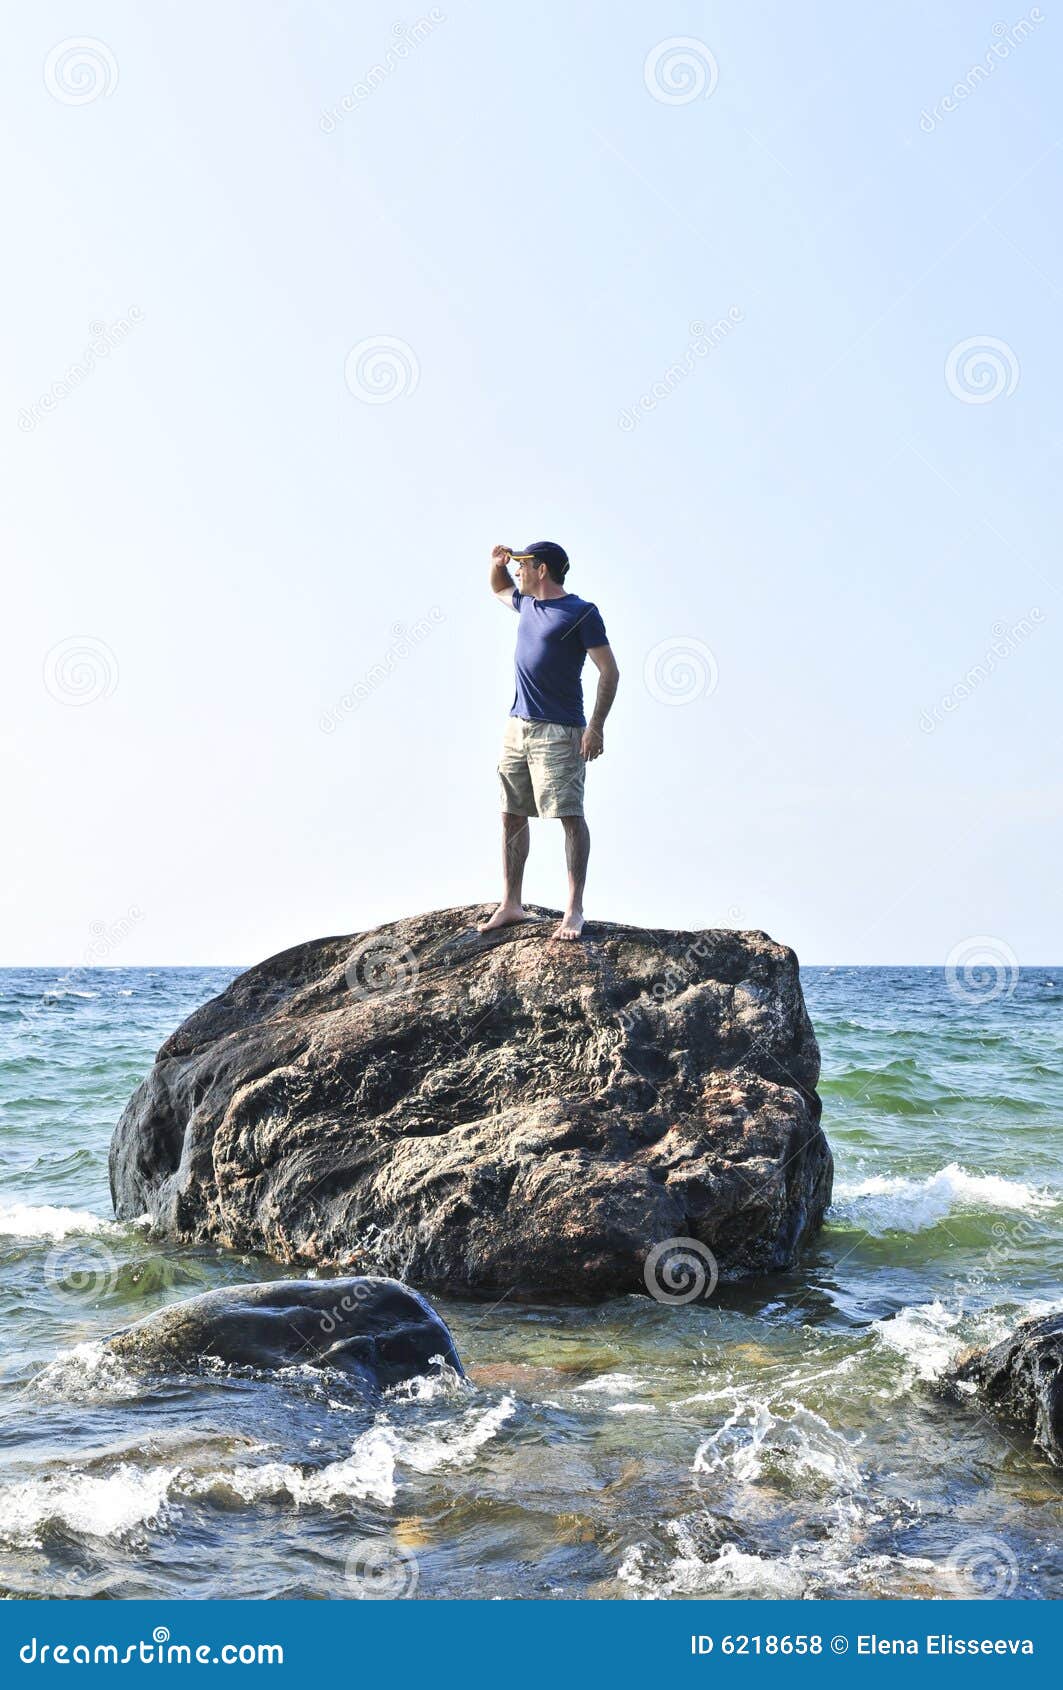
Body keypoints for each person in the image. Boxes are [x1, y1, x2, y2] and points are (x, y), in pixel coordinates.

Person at [479, 540, 619, 941]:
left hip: (560, 732)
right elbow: (497, 587)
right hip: (516, 726)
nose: (518, 571)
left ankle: (574, 910)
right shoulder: (526, 604)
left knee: (569, 816)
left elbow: (609, 671)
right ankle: (511, 903)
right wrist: (498, 562)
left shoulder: (581, 612)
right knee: (511, 812)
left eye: (524, 565)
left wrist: (596, 726)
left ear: (543, 570)